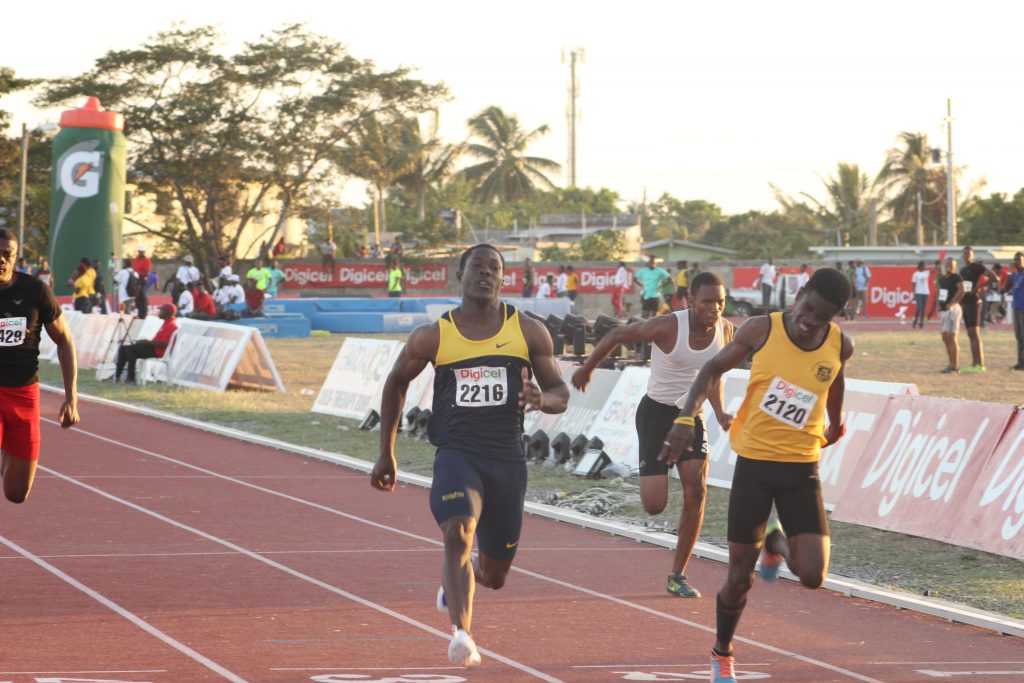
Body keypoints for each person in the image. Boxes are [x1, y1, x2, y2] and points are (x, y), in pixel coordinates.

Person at [371, 244, 569, 668]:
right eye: (476, 267)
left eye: (493, 268)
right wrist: (386, 452)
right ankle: (462, 633)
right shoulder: (434, 335)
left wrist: (542, 399)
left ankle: (458, 578)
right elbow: (395, 382)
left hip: (507, 460)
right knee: (457, 532)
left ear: (503, 278)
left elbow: (560, 393)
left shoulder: (528, 331)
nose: (485, 273)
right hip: (457, 454)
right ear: (459, 276)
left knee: (495, 575)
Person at [661, 268, 853, 683]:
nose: (810, 321)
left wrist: (836, 422)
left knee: (812, 576)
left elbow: (835, 376)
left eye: (822, 317)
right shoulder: (761, 329)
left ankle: (775, 541)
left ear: (834, 317)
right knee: (739, 578)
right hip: (755, 466)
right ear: (799, 295)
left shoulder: (840, 343)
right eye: (807, 308)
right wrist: (685, 417)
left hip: (802, 468)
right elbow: (711, 369)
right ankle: (722, 652)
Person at [571, 272, 734, 599]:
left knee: (696, 491)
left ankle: (678, 575)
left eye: (720, 302)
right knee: (655, 505)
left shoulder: (726, 330)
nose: (714, 309)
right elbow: (617, 334)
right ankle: (651, 474)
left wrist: (719, 412)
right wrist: (587, 368)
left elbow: (713, 376)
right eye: (707, 302)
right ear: (690, 301)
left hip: (690, 418)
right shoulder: (669, 326)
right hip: (655, 415)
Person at [0, 229, 80, 503]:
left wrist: (71, 398)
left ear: (15, 258)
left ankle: (6, 450)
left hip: (24, 394)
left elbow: (65, 340)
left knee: (16, 493)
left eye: (7, 254)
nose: (1, 260)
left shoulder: (35, 290)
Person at [113, 303, 177, 384]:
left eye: (161, 310)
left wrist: (147, 343)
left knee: (131, 349)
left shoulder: (171, 325)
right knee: (123, 347)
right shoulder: (166, 323)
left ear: (167, 312)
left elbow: (164, 344)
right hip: (154, 348)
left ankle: (131, 378)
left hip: (158, 352)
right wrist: (145, 342)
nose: (159, 312)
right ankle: (117, 376)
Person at [959, 246, 999, 373]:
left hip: (974, 302)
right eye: (965, 253)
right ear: (962, 255)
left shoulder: (977, 267)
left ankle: (980, 364)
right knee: (970, 333)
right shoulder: (963, 270)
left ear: (972, 255)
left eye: (969, 253)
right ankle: (974, 363)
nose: (967, 255)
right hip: (965, 302)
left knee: (975, 333)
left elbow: (994, 277)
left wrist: (979, 285)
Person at [936, 257, 965, 373]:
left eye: (951, 264)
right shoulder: (942, 279)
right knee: (945, 337)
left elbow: (962, 290)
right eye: (947, 264)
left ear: (954, 266)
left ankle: (955, 366)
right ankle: (950, 364)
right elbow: (941, 293)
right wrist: (940, 305)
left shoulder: (956, 277)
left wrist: (952, 303)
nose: (949, 266)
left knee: (951, 337)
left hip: (953, 309)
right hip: (944, 310)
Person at [1001, 252, 1024, 370]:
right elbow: (1003, 289)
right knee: (1019, 337)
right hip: (1017, 308)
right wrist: (1009, 272)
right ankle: (1020, 362)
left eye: (1019, 259)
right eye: (1015, 259)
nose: (1017, 261)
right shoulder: (1014, 276)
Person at [911, 261, 931, 329]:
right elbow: (913, 285)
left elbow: (933, 271)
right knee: (918, 308)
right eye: (923, 266)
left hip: (926, 292)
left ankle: (921, 323)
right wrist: (913, 294)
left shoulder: (926, 272)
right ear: (920, 267)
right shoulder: (915, 274)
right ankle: (915, 321)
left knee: (923, 309)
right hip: (918, 292)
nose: (924, 267)